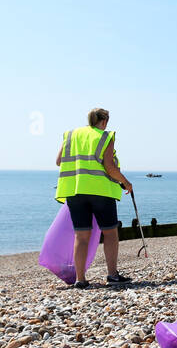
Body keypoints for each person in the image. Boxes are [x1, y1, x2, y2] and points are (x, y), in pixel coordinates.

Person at [55, 108, 134, 288]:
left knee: (81, 236)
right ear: (104, 121)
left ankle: (80, 279)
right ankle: (112, 275)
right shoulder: (105, 137)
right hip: (101, 192)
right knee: (110, 233)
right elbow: (110, 167)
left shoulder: (70, 135)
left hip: (75, 191)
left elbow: (59, 161)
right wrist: (126, 183)